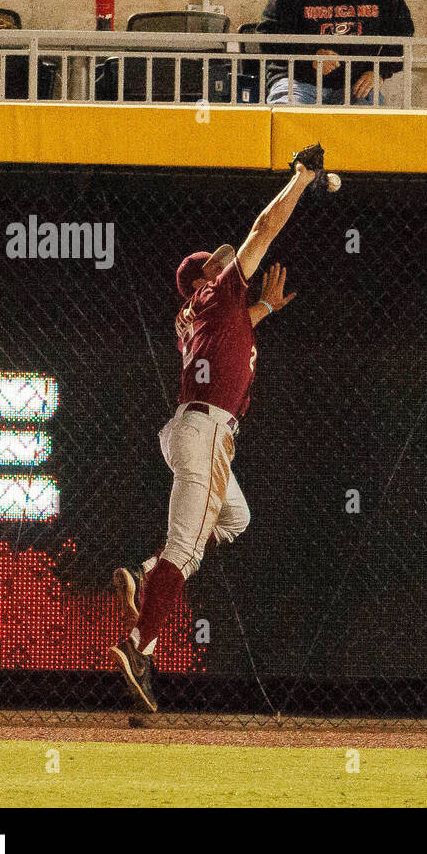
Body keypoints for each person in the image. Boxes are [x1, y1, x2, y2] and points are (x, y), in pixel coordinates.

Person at [108, 151, 322, 713]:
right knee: (186, 544)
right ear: (209, 279)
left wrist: (266, 309)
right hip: (204, 430)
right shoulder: (218, 291)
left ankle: (147, 574)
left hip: (196, 429)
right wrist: (301, 178)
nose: (227, 266)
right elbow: (261, 229)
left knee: (235, 518)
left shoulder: (202, 310)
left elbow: (234, 322)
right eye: (217, 266)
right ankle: (139, 646)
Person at [258, 0, 415, 106]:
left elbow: (404, 32)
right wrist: (310, 56)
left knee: (370, 120)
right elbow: (267, 34)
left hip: (354, 85)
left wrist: (379, 71)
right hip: (297, 81)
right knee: (288, 115)